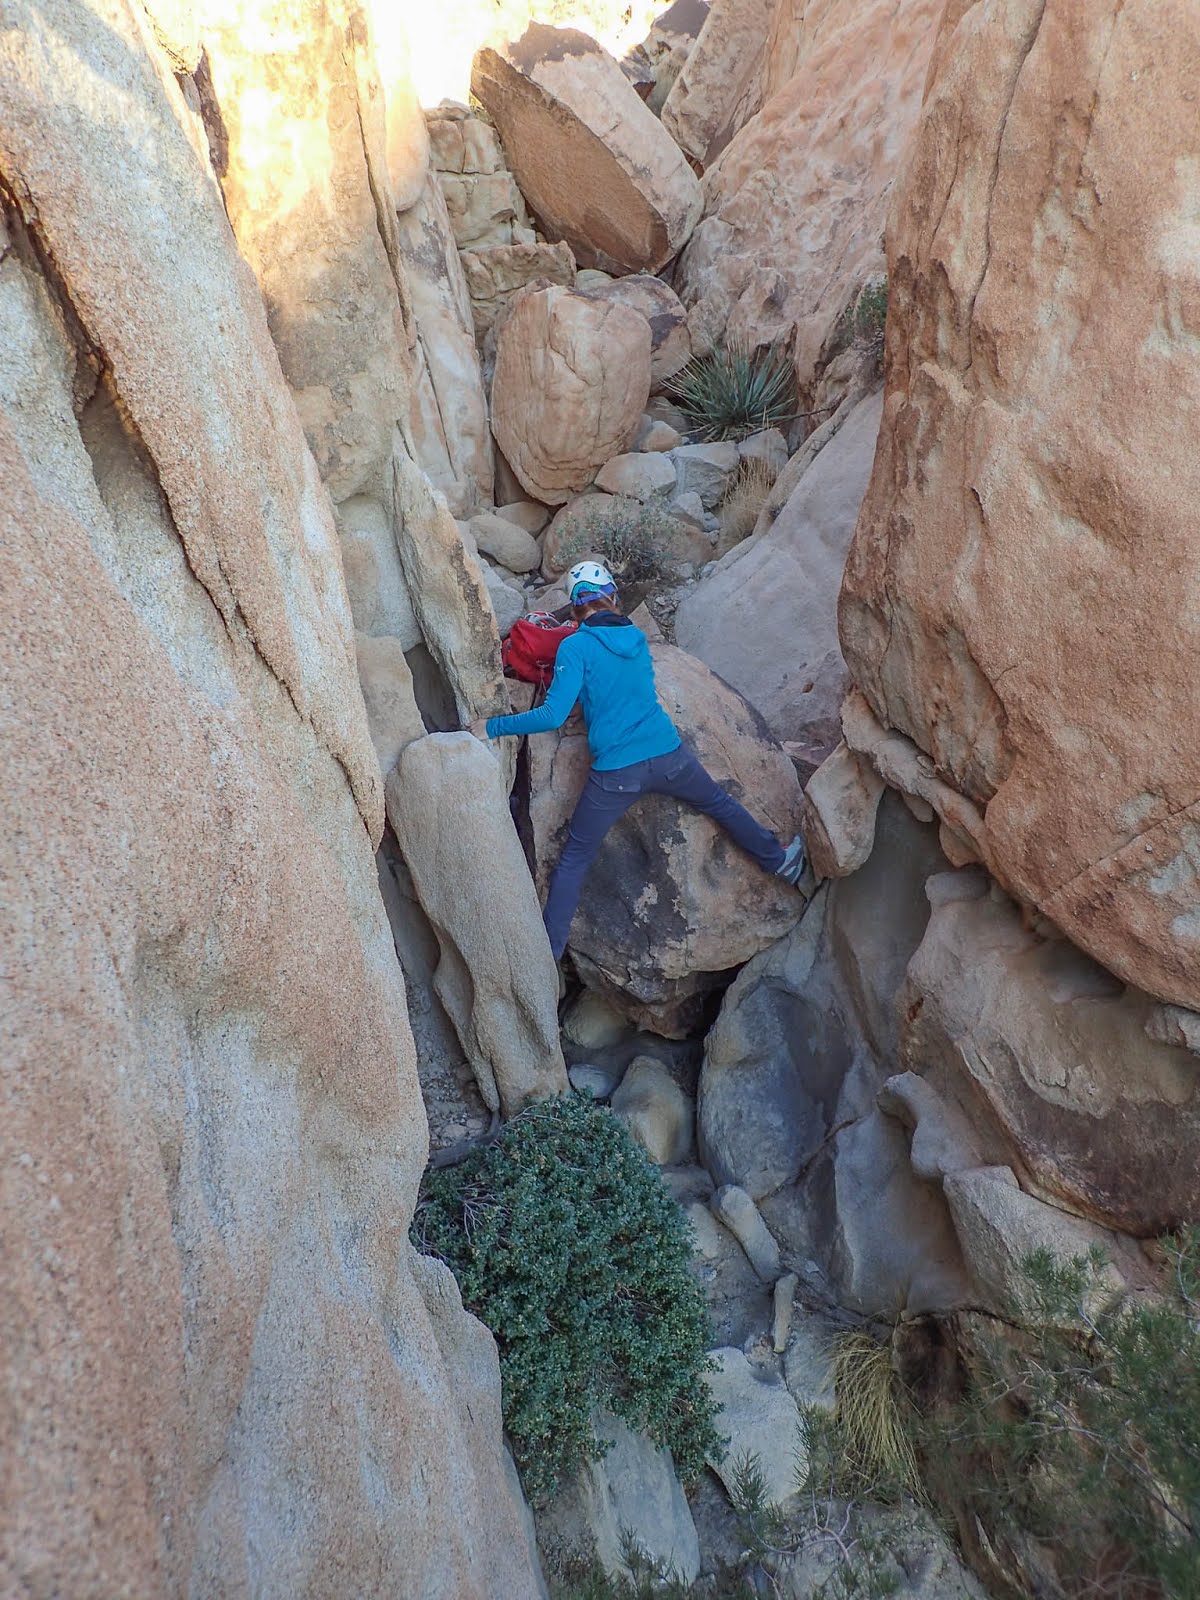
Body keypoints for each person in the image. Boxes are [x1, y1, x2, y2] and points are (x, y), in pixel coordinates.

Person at [470, 560, 807, 961]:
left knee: (576, 858)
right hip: (668, 755)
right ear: (612, 596)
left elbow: (552, 716)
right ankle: (779, 861)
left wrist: (490, 727)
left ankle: (547, 960)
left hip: (616, 774)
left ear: (575, 608)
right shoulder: (635, 636)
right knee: (719, 804)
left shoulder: (575, 645)